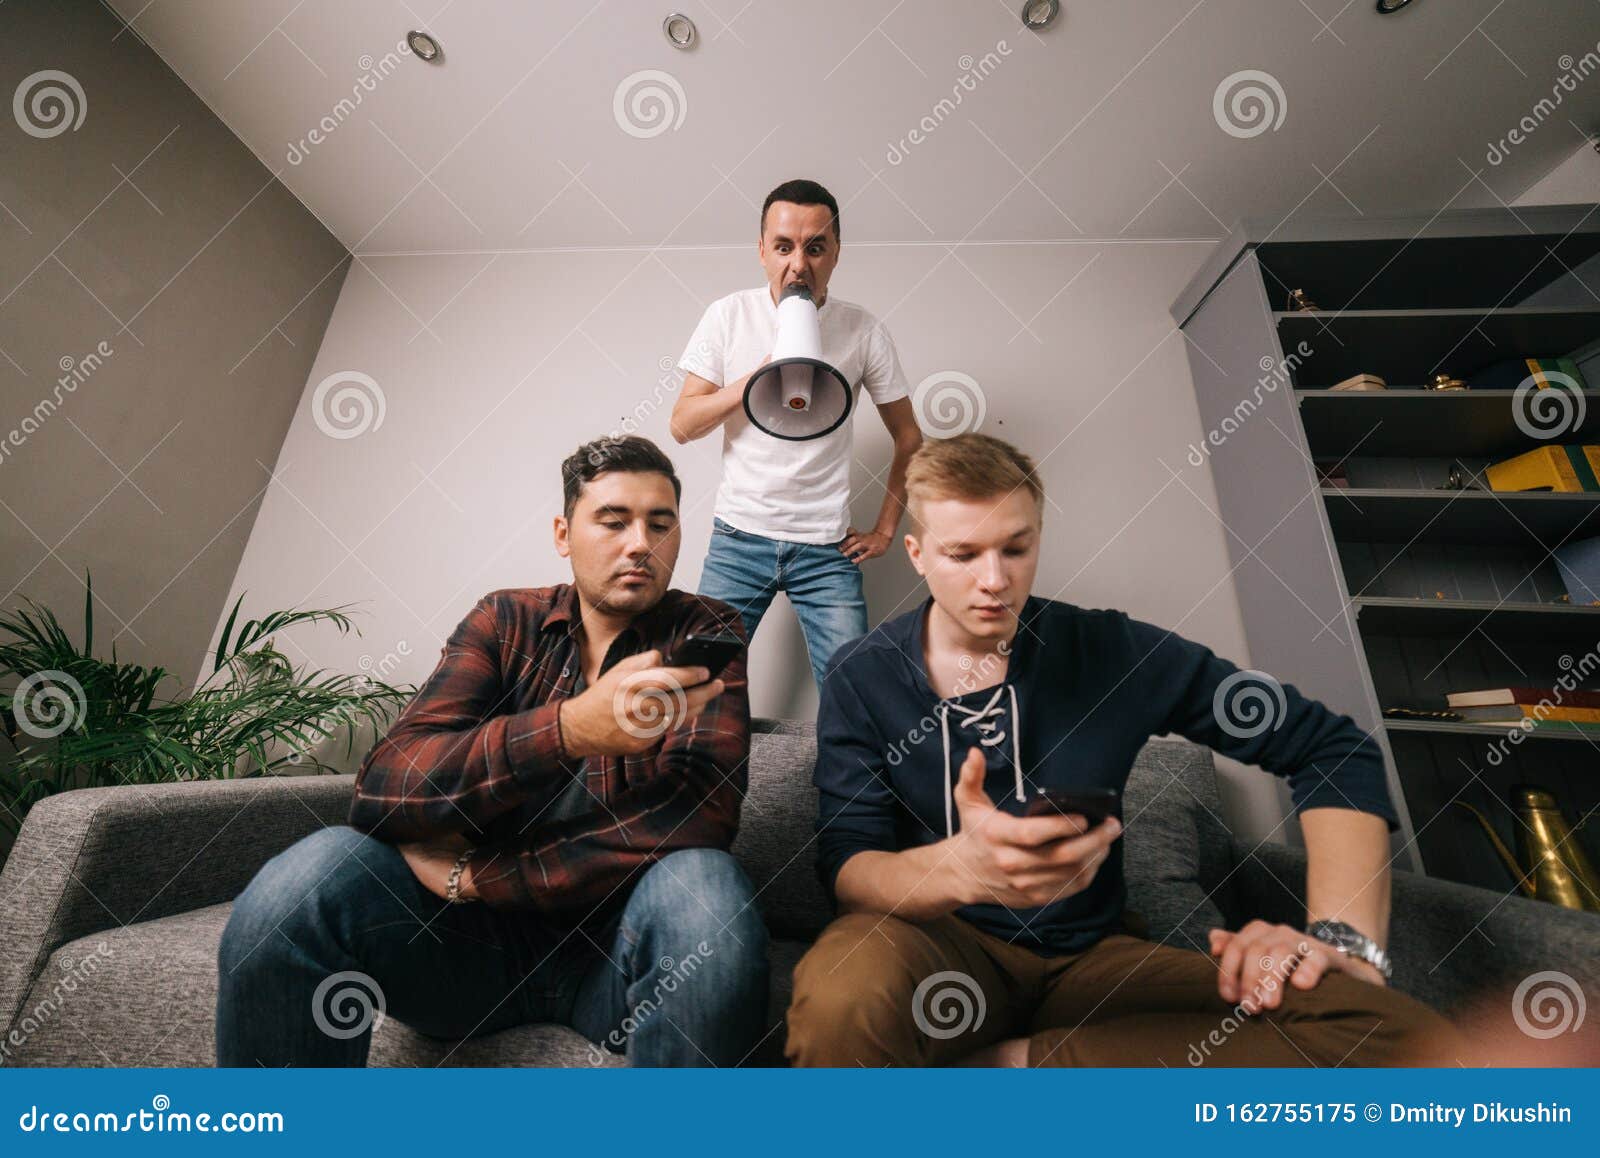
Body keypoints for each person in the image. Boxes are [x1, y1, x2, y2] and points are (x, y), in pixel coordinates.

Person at [785, 432, 1468, 1067]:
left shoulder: (1111, 650)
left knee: (1404, 1041)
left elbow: (1330, 748)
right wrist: (957, 871)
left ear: (1039, 538)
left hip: (1094, 965)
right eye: (963, 555)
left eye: (1015, 548)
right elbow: (848, 867)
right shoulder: (861, 673)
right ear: (918, 553)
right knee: (845, 990)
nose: (993, 580)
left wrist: (1342, 943)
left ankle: (1014, 1070)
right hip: (938, 949)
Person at [216, 436, 769, 1067]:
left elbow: (698, 816)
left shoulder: (707, 629)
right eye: (613, 521)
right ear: (564, 534)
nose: (640, 543)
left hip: (617, 961)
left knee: (705, 887)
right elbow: (385, 788)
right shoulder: (506, 621)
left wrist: (481, 876)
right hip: (466, 957)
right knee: (306, 883)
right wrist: (567, 730)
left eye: (660, 524)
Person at [670, 178, 923, 688]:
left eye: (815, 247)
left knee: (853, 691)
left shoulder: (863, 329)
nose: (798, 264)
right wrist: (754, 381)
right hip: (738, 540)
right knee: (695, 684)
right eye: (783, 246)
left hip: (826, 549)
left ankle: (846, 772)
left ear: (836, 254)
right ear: (762, 251)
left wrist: (886, 529)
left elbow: (910, 438)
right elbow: (682, 425)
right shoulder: (728, 316)